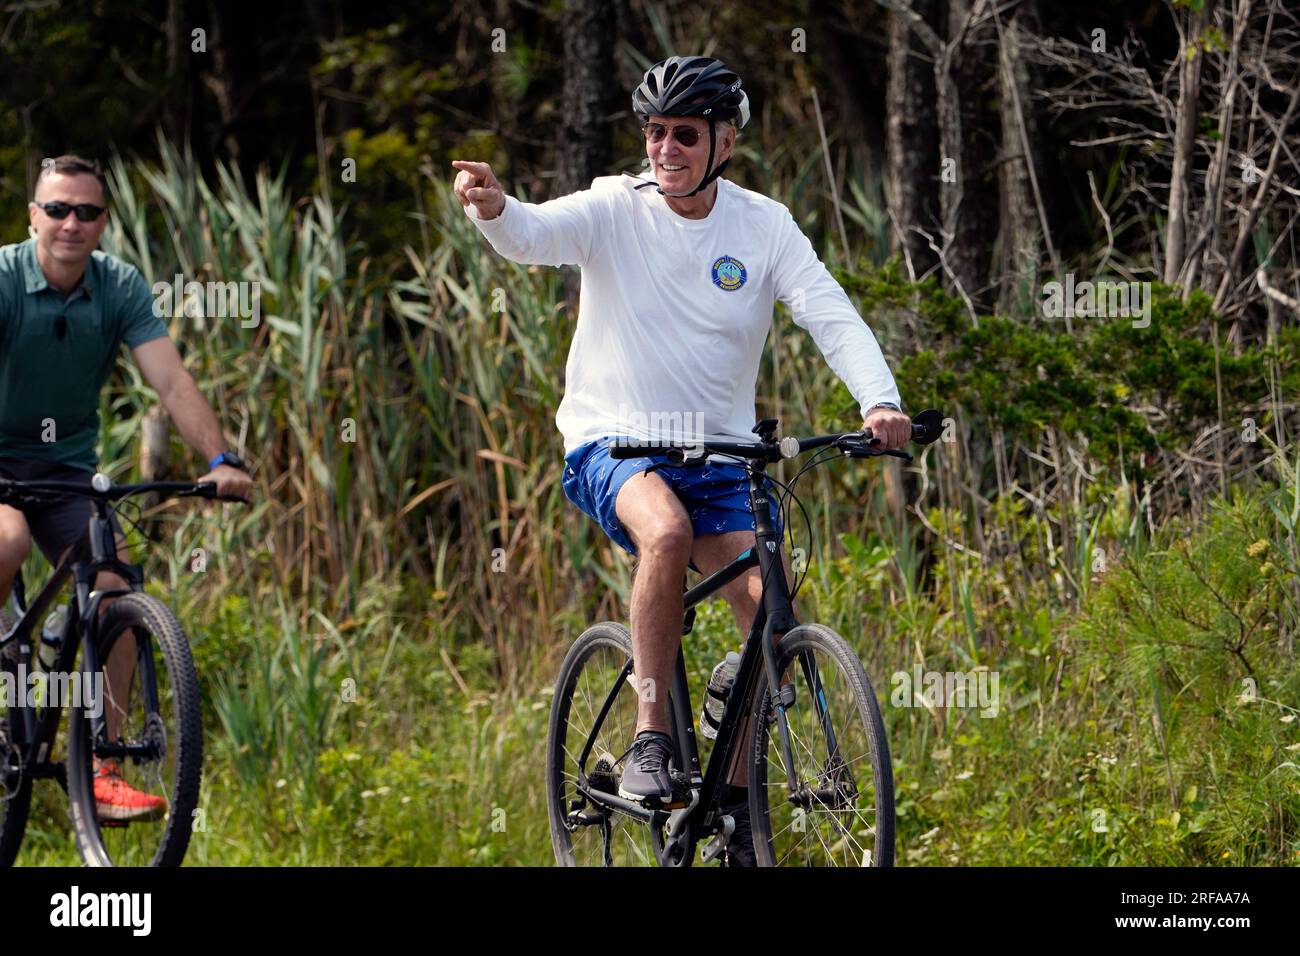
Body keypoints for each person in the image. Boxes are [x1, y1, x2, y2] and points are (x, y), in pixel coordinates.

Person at [453, 56, 909, 866]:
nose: (665, 149)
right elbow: (532, 233)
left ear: (725, 140)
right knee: (663, 533)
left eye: (685, 135)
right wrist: (494, 209)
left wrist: (877, 401)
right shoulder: (611, 208)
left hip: (724, 455)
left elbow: (830, 315)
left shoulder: (763, 226)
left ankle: (734, 811)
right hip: (613, 440)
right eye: (655, 132)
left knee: (770, 609)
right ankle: (651, 734)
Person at [0, 155, 253, 822]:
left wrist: (220, 458)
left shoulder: (119, 287)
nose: (71, 223)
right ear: (33, 217)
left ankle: (101, 763)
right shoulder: (2, 278)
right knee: (8, 537)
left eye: (86, 211)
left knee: (111, 590)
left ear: (103, 222)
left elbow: (170, 382)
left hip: (66, 474)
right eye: (57, 209)